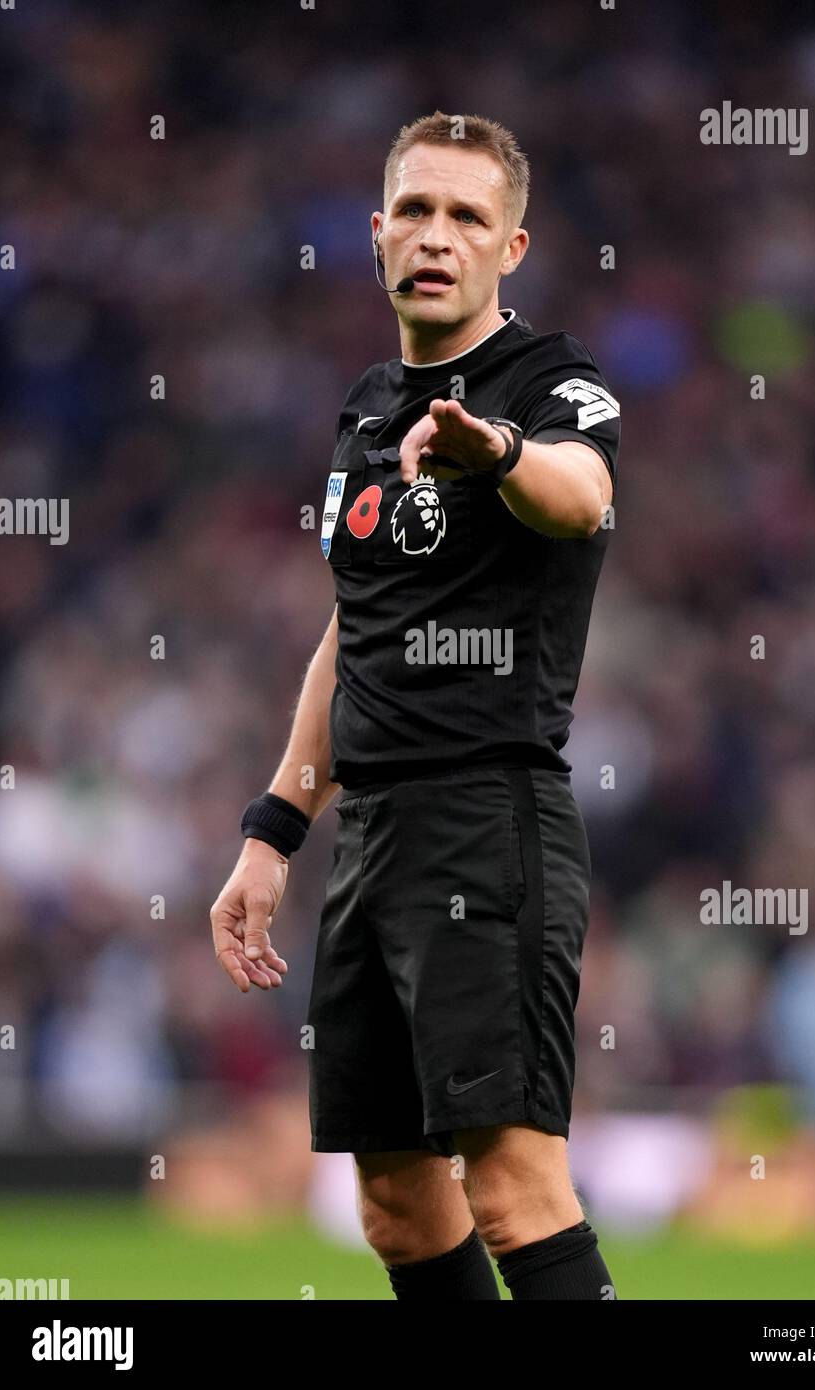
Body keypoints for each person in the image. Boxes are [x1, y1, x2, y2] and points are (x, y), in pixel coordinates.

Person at [210, 110, 621, 1300]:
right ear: (376, 234)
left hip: (488, 822)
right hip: (371, 837)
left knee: (510, 1184)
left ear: (512, 248)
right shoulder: (364, 408)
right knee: (394, 1200)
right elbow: (354, 629)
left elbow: (581, 497)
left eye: (468, 218)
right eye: (419, 211)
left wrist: (490, 451)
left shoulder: (553, 384)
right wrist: (273, 829)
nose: (438, 236)